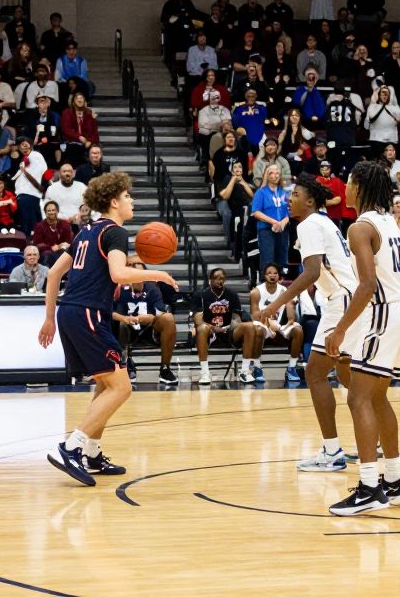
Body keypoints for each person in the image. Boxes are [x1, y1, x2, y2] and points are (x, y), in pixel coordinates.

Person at [38, 172, 178, 485]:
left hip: (71, 312)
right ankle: (71, 446)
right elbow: (117, 274)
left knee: (105, 385)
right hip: (87, 312)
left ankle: (91, 453)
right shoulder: (115, 232)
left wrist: (49, 318)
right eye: (128, 196)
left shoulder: (85, 231)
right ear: (114, 201)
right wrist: (157, 275)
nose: (133, 202)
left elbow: (53, 276)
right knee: (122, 386)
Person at [323, 161, 400, 515]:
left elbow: (366, 286)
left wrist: (341, 327)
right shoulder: (388, 220)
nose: (343, 189)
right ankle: (394, 480)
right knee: (377, 399)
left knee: (358, 398)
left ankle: (369, 488)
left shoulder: (360, 227)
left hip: (386, 312)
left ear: (357, 185)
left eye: (346, 182)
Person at [253, 175, 357, 471]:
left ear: (310, 201)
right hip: (350, 298)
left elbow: (311, 272)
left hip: (341, 300)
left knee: (314, 373)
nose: (288, 198)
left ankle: (332, 451)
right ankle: (370, 442)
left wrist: (274, 304)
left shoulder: (310, 224)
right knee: (348, 373)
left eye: (295, 193)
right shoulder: (325, 222)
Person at [192, 268, 255, 387]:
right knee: (202, 328)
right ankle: (205, 373)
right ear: (210, 280)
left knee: (250, 327)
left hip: (227, 330)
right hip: (209, 332)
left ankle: (245, 371)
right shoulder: (200, 295)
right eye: (216, 278)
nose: (219, 281)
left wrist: (233, 324)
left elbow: (236, 317)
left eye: (222, 279)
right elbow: (198, 320)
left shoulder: (232, 294)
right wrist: (213, 327)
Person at [250, 263, 304, 383]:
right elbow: (254, 315)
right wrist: (268, 322)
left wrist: (291, 320)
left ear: (279, 276)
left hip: (280, 324)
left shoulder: (285, 291)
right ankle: (257, 367)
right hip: (263, 323)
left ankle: (291, 367)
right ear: (264, 275)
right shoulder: (256, 292)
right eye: (269, 273)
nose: (272, 275)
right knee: (258, 330)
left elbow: (291, 310)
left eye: (275, 273)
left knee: (298, 330)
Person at [251, 164, 290, 273]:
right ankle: (265, 284)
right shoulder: (261, 192)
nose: (275, 175)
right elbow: (256, 212)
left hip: (282, 230)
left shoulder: (284, 192)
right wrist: (274, 222)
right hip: (266, 230)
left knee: (281, 258)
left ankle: (281, 283)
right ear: (267, 176)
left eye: (277, 173)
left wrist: (282, 223)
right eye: (271, 173)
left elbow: (289, 213)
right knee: (268, 259)